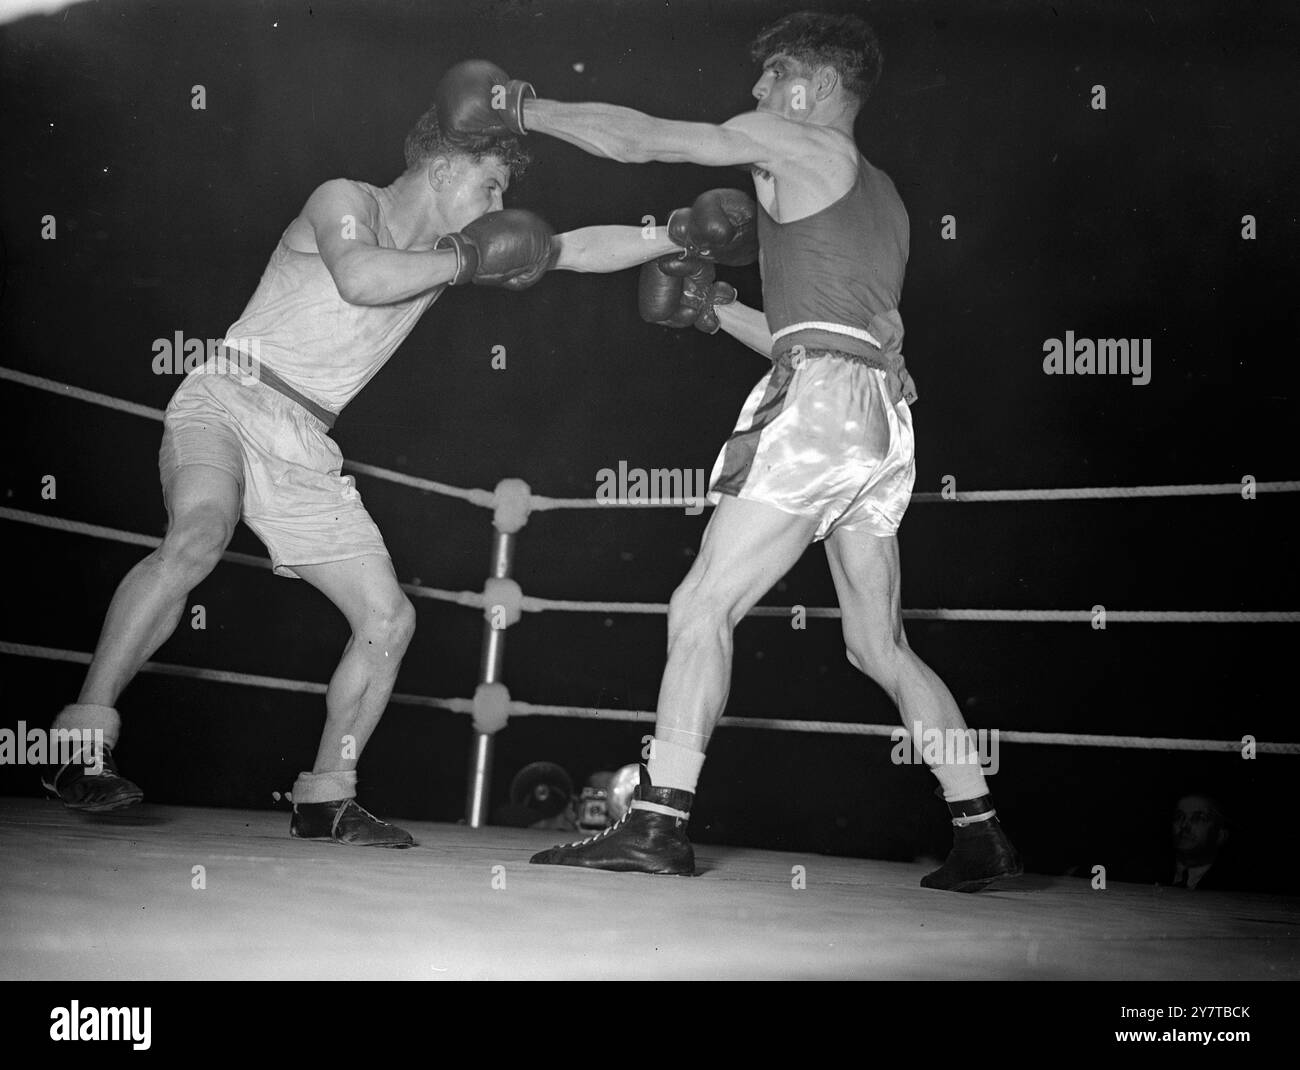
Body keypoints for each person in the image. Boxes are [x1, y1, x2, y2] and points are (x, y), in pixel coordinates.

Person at [40, 62, 689, 846]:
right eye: (490, 187)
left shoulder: (450, 255)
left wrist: (672, 236)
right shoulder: (347, 200)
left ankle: (326, 795)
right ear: (443, 166)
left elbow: (571, 249)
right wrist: (469, 261)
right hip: (228, 397)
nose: (499, 208)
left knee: (388, 619)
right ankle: (79, 743)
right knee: (199, 535)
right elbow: (359, 279)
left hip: (305, 440)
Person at [509, 12, 1022, 890]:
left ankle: (659, 822)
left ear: (815, 87)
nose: (753, 93)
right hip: (879, 422)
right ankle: (983, 833)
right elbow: (824, 336)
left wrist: (525, 110)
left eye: (772, 74)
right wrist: (715, 313)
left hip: (821, 409)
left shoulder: (789, 142)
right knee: (878, 645)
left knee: (700, 603)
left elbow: (642, 141)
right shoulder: (886, 198)